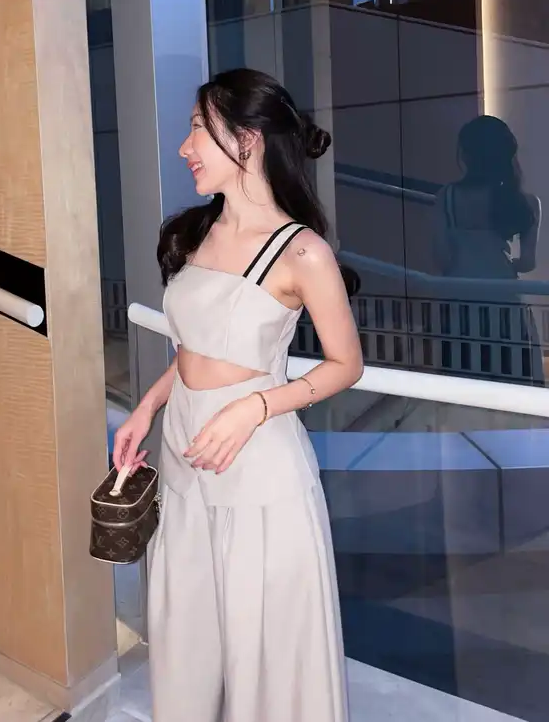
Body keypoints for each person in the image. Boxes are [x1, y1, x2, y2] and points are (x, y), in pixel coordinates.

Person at [113, 68, 363, 722]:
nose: (184, 147)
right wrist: (147, 407)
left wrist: (257, 407)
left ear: (247, 140)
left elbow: (346, 365)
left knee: (267, 656)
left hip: (258, 468)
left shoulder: (302, 252)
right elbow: (193, 350)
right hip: (184, 459)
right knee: (184, 640)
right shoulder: (193, 233)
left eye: (198, 128)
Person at [433, 115, 541, 279]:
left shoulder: (447, 196)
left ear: (466, 155)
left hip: (458, 288)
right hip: (502, 289)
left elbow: (441, 258)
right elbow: (528, 262)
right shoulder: (527, 202)